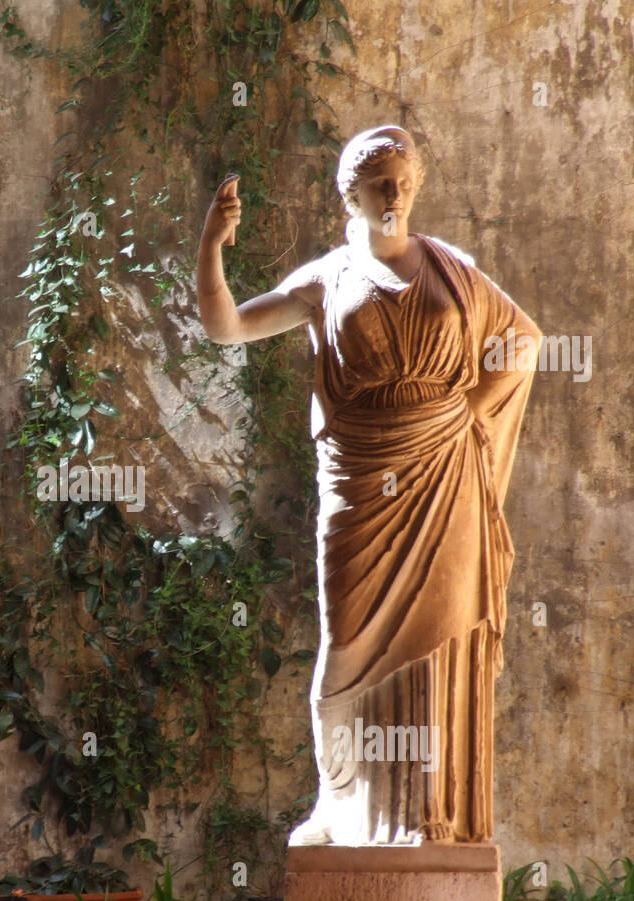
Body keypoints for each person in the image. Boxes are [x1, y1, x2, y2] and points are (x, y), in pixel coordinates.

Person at [196, 126, 539, 846]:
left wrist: (466, 416)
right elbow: (226, 328)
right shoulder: (326, 277)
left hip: (441, 473)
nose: (395, 192)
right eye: (380, 181)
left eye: (404, 179)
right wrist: (211, 249)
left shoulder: (454, 272)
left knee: (432, 643)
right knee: (347, 640)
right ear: (350, 193)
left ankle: (423, 812)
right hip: (358, 476)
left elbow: (523, 340)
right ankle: (338, 801)